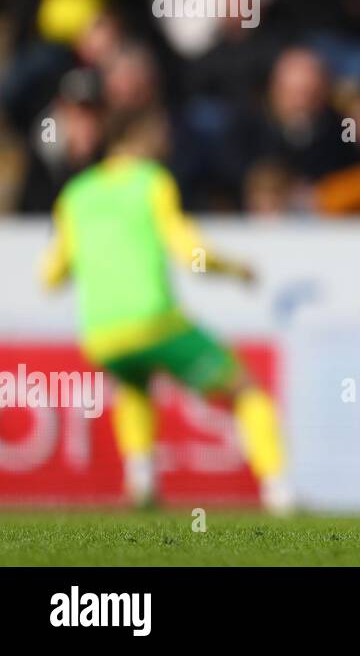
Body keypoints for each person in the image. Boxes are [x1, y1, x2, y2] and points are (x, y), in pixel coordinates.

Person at [38, 106, 290, 512]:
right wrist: (237, 269)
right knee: (247, 389)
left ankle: (141, 484)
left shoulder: (77, 193)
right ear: (139, 133)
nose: (167, 137)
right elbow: (192, 252)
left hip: (100, 333)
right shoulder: (152, 181)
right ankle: (280, 492)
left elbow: (50, 276)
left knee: (135, 385)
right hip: (154, 320)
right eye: (160, 128)